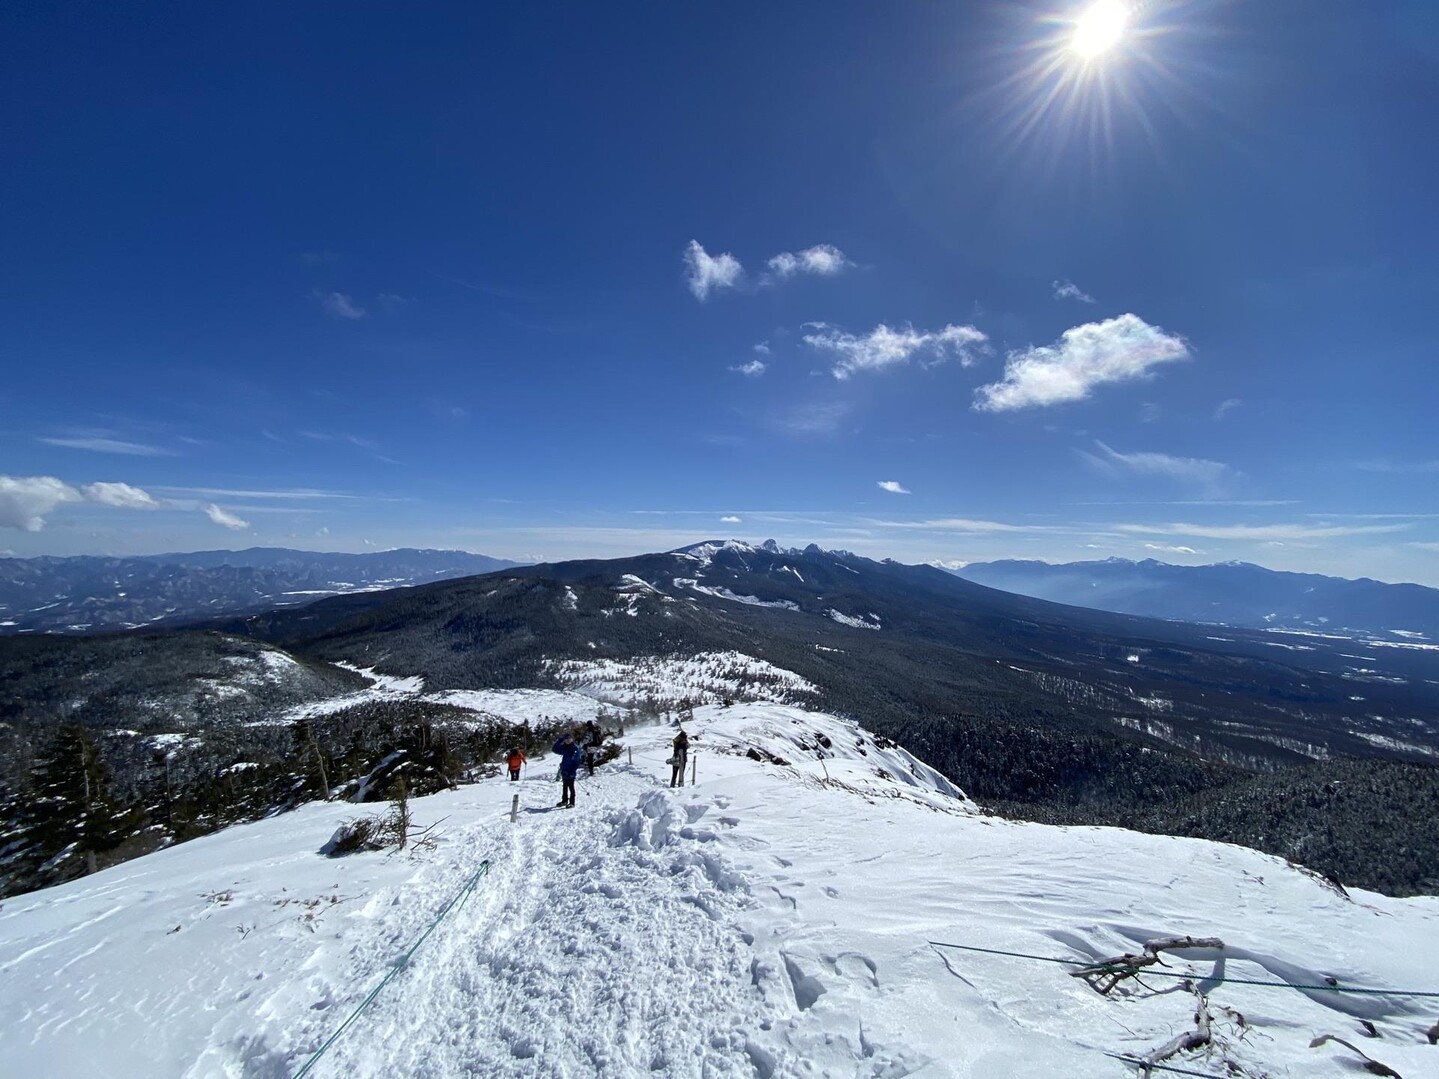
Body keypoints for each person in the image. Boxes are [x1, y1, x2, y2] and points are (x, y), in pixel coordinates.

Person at [553, 733, 585, 808]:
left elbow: (577, 761)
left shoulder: (575, 748)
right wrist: (560, 740)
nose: (567, 741)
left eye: (569, 739)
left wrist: (572, 771)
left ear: (572, 739)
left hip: (571, 771)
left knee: (571, 787)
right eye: (566, 739)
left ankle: (572, 802)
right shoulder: (564, 747)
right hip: (564, 770)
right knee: (564, 786)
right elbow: (554, 749)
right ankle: (564, 801)